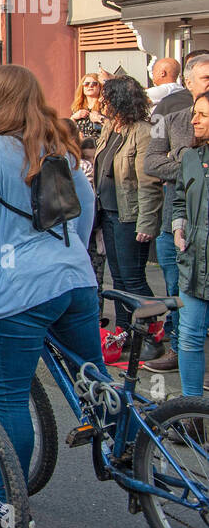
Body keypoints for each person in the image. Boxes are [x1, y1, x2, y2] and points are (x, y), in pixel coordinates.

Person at [0, 64, 98, 528]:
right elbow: (87, 207)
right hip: (75, 278)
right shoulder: (56, 144)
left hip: (20, 289)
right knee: (94, 380)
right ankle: (131, 451)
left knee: (11, 397)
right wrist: (69, 249)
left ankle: (13, 514)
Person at [143, 53, 209, 373]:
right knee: (176, 291)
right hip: (175, 221)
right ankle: (178, 350)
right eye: (206, 78)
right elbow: (151, 162)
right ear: (188, 81)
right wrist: (189, 166)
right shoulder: (164, 117)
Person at [94, 74, 162, 343]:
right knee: (118, 280)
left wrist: (146, 223)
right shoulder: (110, 127)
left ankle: (149, 335)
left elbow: (149, 183)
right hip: (108, 213)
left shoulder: (143, 132)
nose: (101, 101)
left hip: (130, 216)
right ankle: (124, 333)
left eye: (106, 97)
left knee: (133, 279)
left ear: (120, 100)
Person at [167, 91, 209, 397]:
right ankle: (191, 414)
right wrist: (179, 230)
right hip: (193, 261)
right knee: (189, 336)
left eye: (202, 115)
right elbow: (180, 198)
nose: (193, 120)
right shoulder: (192, 157)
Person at [69, 74, 105, 141]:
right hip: (81, 147)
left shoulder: (104, 106)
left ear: (100, 87)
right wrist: (73, 117)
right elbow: (67, 129)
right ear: (82, 88)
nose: (90, 86)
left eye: (94, 83)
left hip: (100, 146)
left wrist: (99, 119)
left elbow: (112, 126)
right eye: (86, 84)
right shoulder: (77, 108)